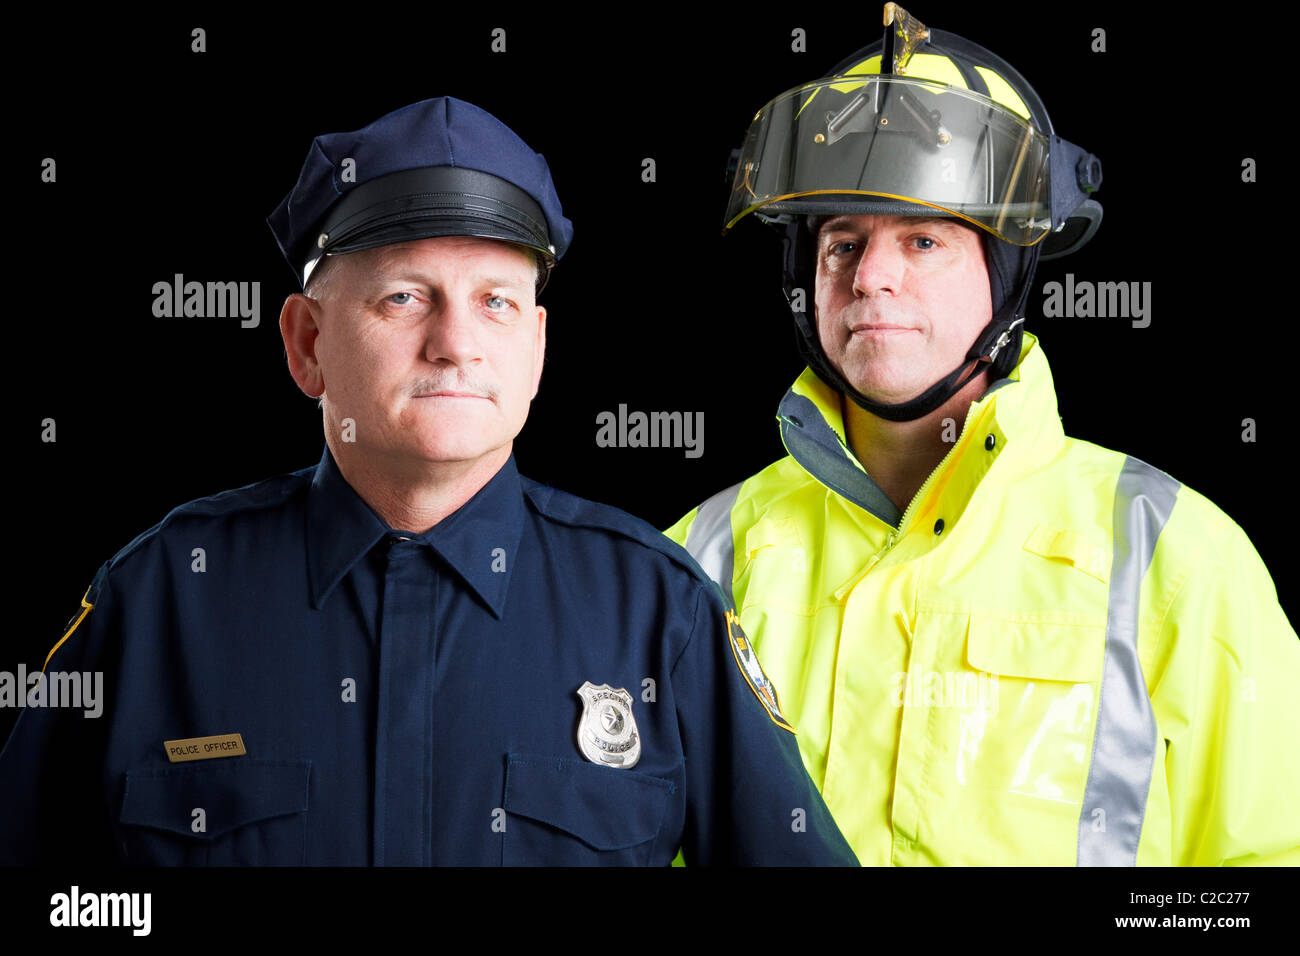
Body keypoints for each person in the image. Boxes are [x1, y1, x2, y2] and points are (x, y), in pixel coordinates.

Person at [0, 97, 856, 867]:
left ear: (537, 350)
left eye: (496, 302)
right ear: (305, 344)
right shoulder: (158, 600)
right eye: (405, 298)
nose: (456, 343)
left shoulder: (659, 613)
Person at [667, 5, 1300, 866]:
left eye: (923, 240)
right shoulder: (696, 557)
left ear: (1006, 278)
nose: (872, 278)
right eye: (842, 243)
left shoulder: (1175, 559)